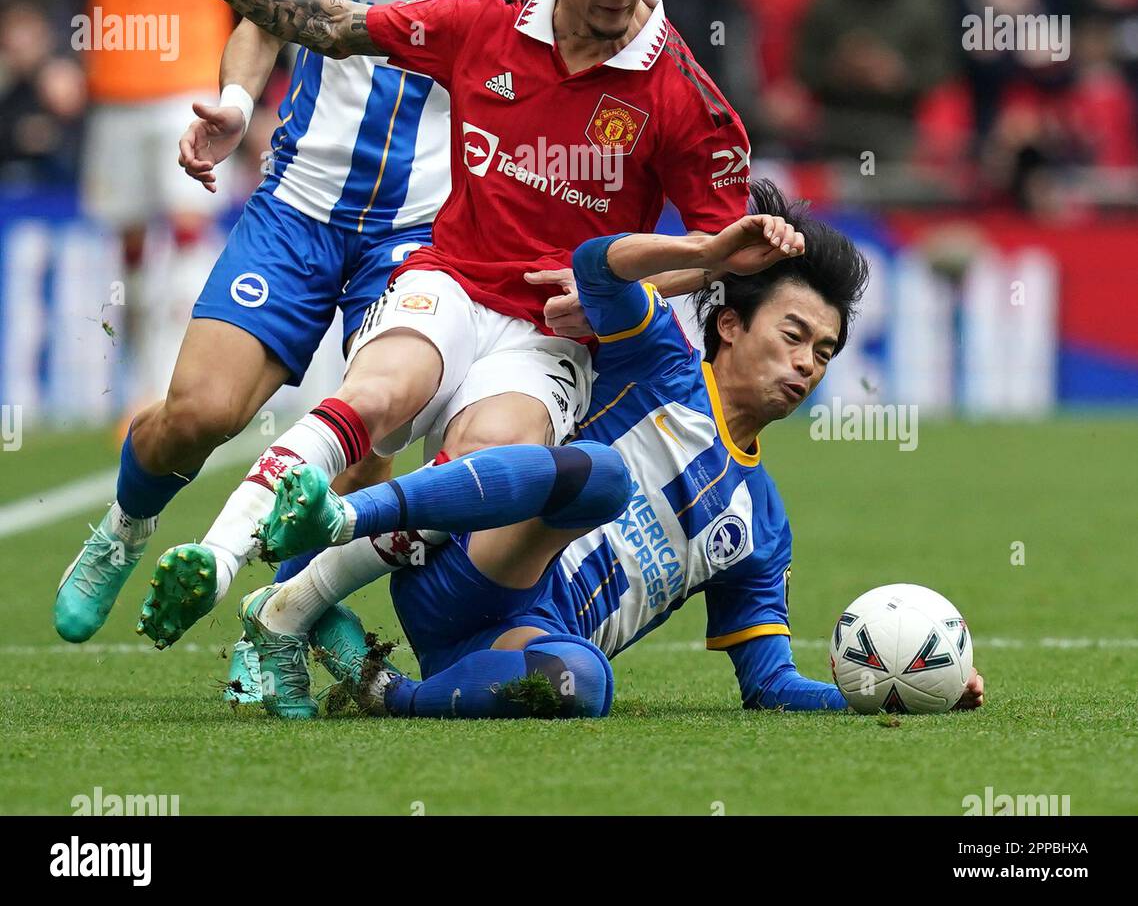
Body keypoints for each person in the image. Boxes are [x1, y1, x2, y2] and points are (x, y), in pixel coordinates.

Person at [81, 0, 752, 655]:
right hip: (451, 281)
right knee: (371, 400)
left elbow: (714, 251)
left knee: (475, 481)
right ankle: (218, 560)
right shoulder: (486, 22)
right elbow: (330, 21)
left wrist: (623, 295)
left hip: (550, 335)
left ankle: (284, 610)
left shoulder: (685, 94)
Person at [53, 0, 554, 656]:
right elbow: (267, 10)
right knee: (199, 415)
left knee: (366, 449)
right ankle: (123, 528)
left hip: (424, 230)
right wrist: (237, 106)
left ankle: (275, 616)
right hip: (300, 203)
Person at [241, 185, 986, 718]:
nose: (807, 365)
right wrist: (707, 249)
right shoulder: (660, 356)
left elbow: (769, 686)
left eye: (824, 352)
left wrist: (890, 691)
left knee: (583, 685)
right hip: (473, 559)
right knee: (601, 476)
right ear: (728, 326)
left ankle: (381, 689)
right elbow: (596, 265)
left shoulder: (763, 526)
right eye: (792, 336)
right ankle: (340, 520)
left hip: (510, 643)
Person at [80, 0, 243, 410]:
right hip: (118, 87)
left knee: (186, 231)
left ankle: (172, 389)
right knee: (131, 252)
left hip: (191, 90)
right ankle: (135, 388)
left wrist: (242, 92)